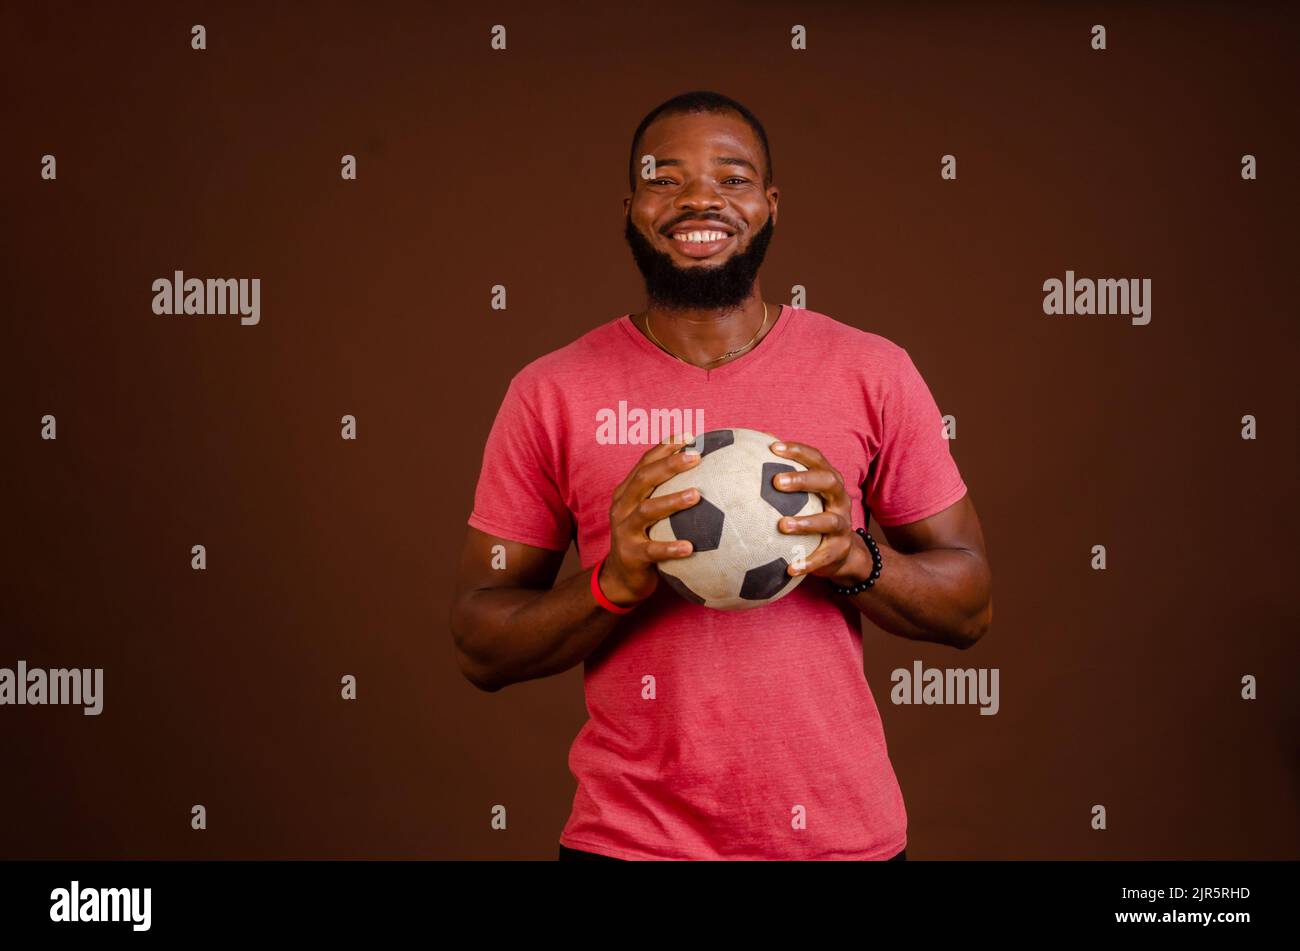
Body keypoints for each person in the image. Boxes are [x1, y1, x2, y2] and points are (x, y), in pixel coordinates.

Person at [450, 91, 993, 861]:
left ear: (770, 206)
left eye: (732, 179)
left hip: (841, 843)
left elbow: (969, 602)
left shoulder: (872, 370)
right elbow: (481, 639)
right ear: (630, 206)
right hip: (630, 844)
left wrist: (854, 557)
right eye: (664, 178)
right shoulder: (552, 391)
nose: (699, 197)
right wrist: (614, 582)